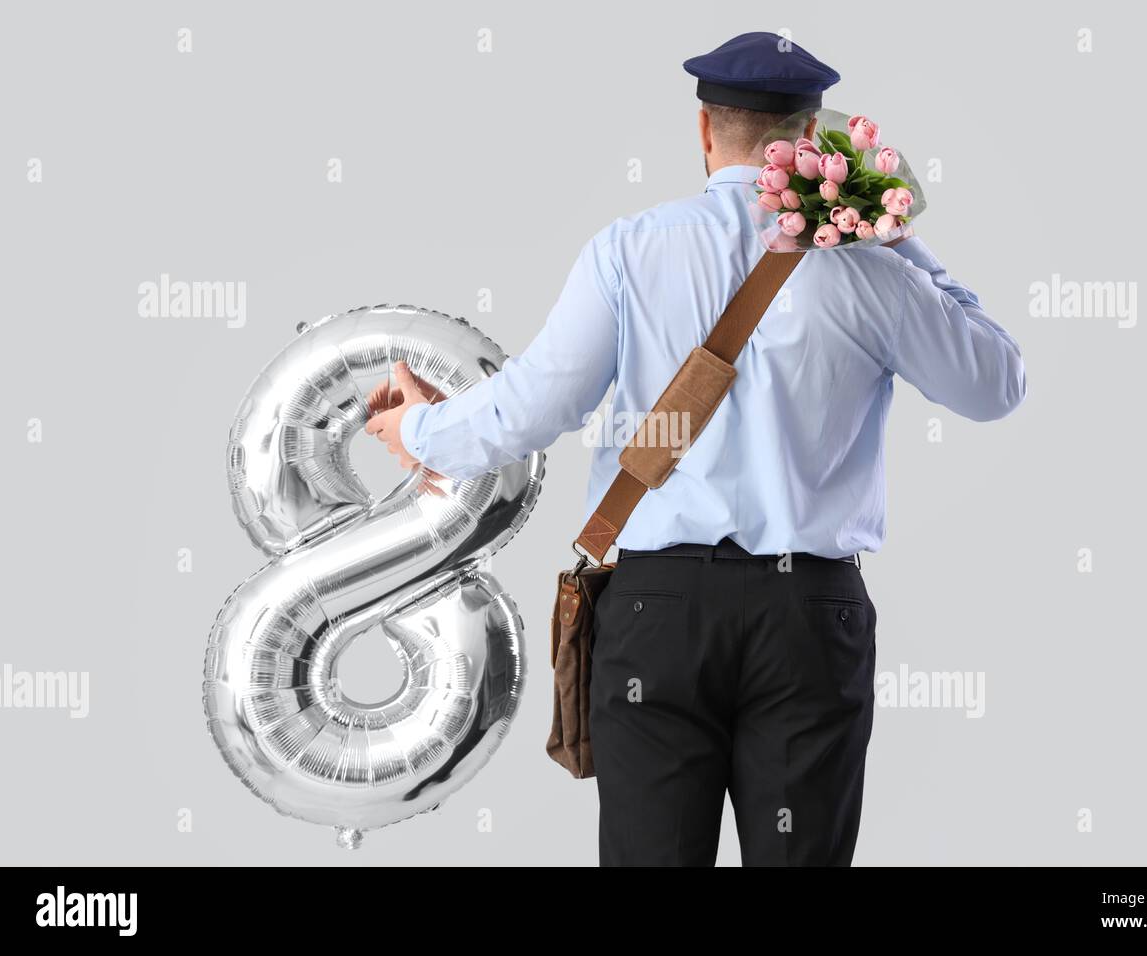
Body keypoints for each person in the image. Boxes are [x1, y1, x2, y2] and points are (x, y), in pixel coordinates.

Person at [366, 31, 1026, 866]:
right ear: (815, 135)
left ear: (706, 133)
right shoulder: (869, 271)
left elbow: (536, 406)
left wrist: (418, 430)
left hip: (657, 612)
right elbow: (996, 385)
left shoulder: (629, 251)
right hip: (809, 620)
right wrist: (898, 237)